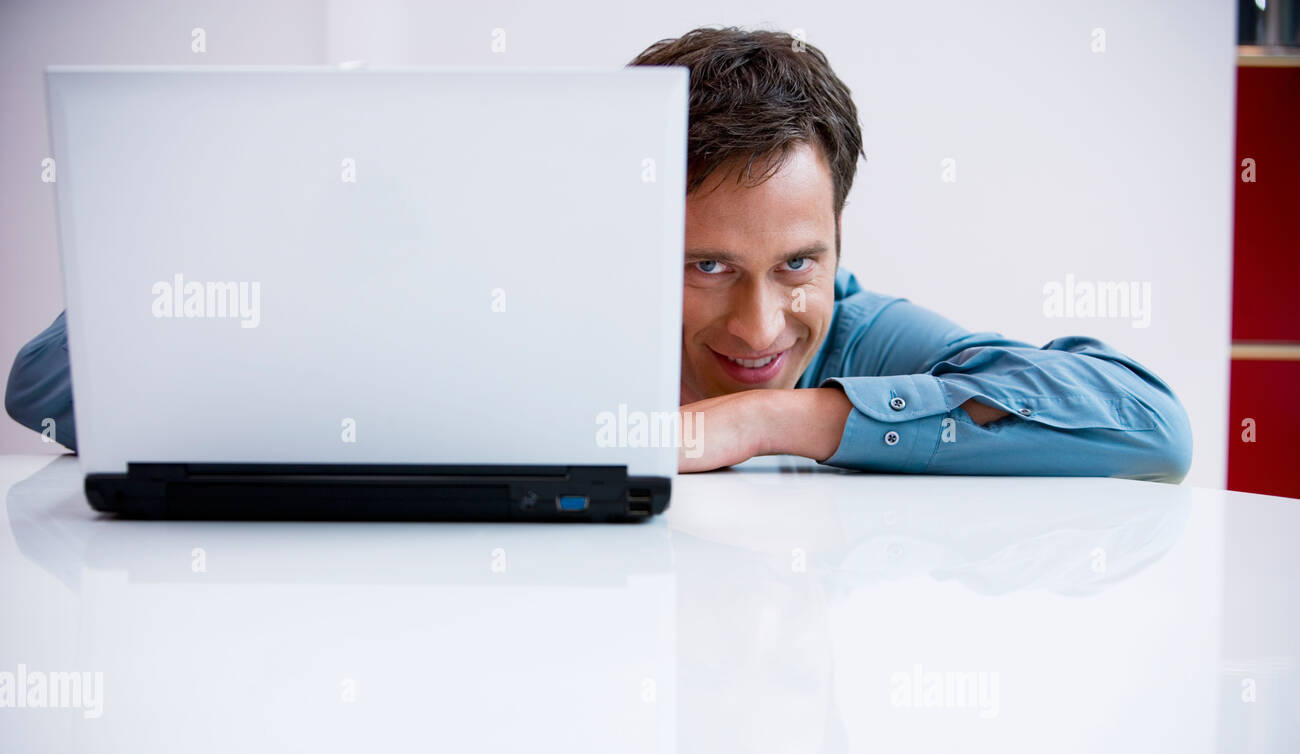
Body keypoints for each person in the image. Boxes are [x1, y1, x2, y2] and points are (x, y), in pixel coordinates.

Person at [6, 27, 1192, 481]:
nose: (761, 330)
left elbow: (1147, 422)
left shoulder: (849, 328)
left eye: (795, 261)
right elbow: (54, 379)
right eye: (703, 265)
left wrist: (763, 421)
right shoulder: (513, 307)